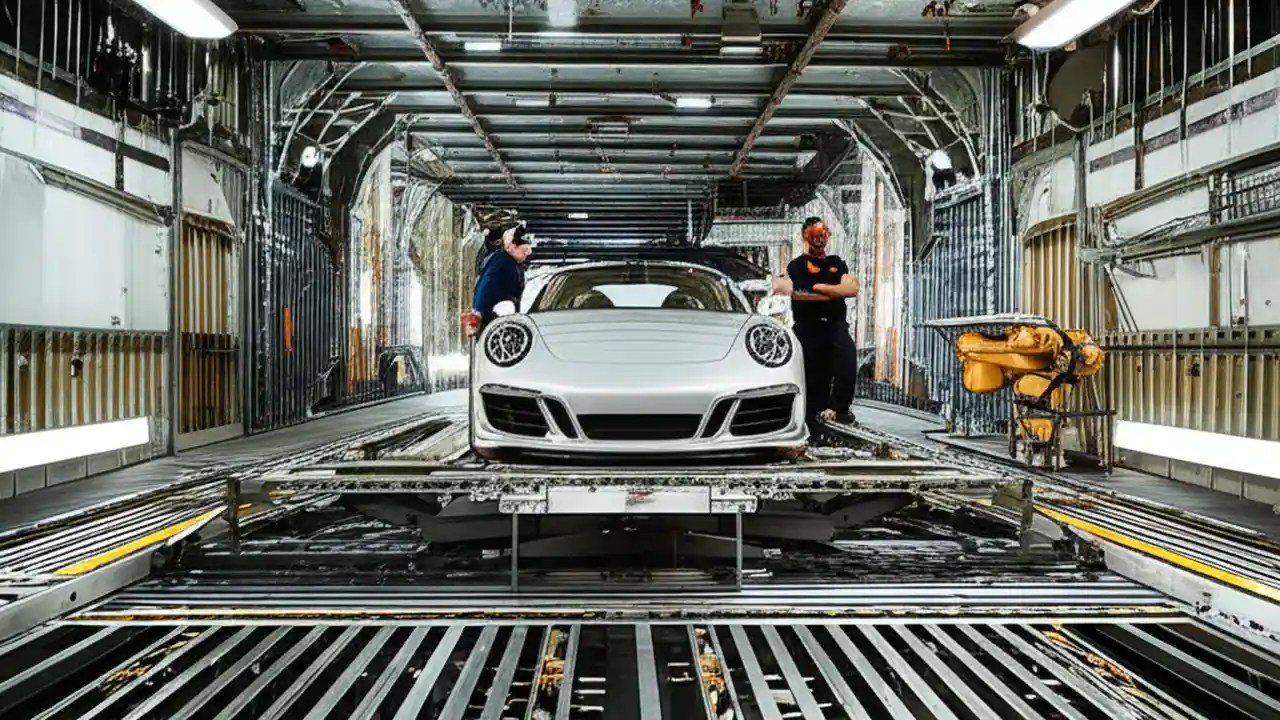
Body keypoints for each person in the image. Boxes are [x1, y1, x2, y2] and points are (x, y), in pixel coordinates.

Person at [774, 216, 860, 431]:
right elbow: (794, 292)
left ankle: (839, 409)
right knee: (812, 372)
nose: (820, 240)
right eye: (815, 236)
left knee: (847, 360)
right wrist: (832, 292)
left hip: (835, 323)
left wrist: (819, 290)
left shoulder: (836, 263)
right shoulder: (796, 265)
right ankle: (810, 417)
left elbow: (851, 288)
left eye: (823, 235)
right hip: (808, 326)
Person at [465, 227, 534, 337]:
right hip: (496, 321)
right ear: (511, 247)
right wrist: (478, 313)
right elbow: (485, 287)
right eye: (524, 249)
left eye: (529, 249)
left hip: (501, 320)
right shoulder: (502, 264)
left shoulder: (511, 262)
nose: (528, 253)